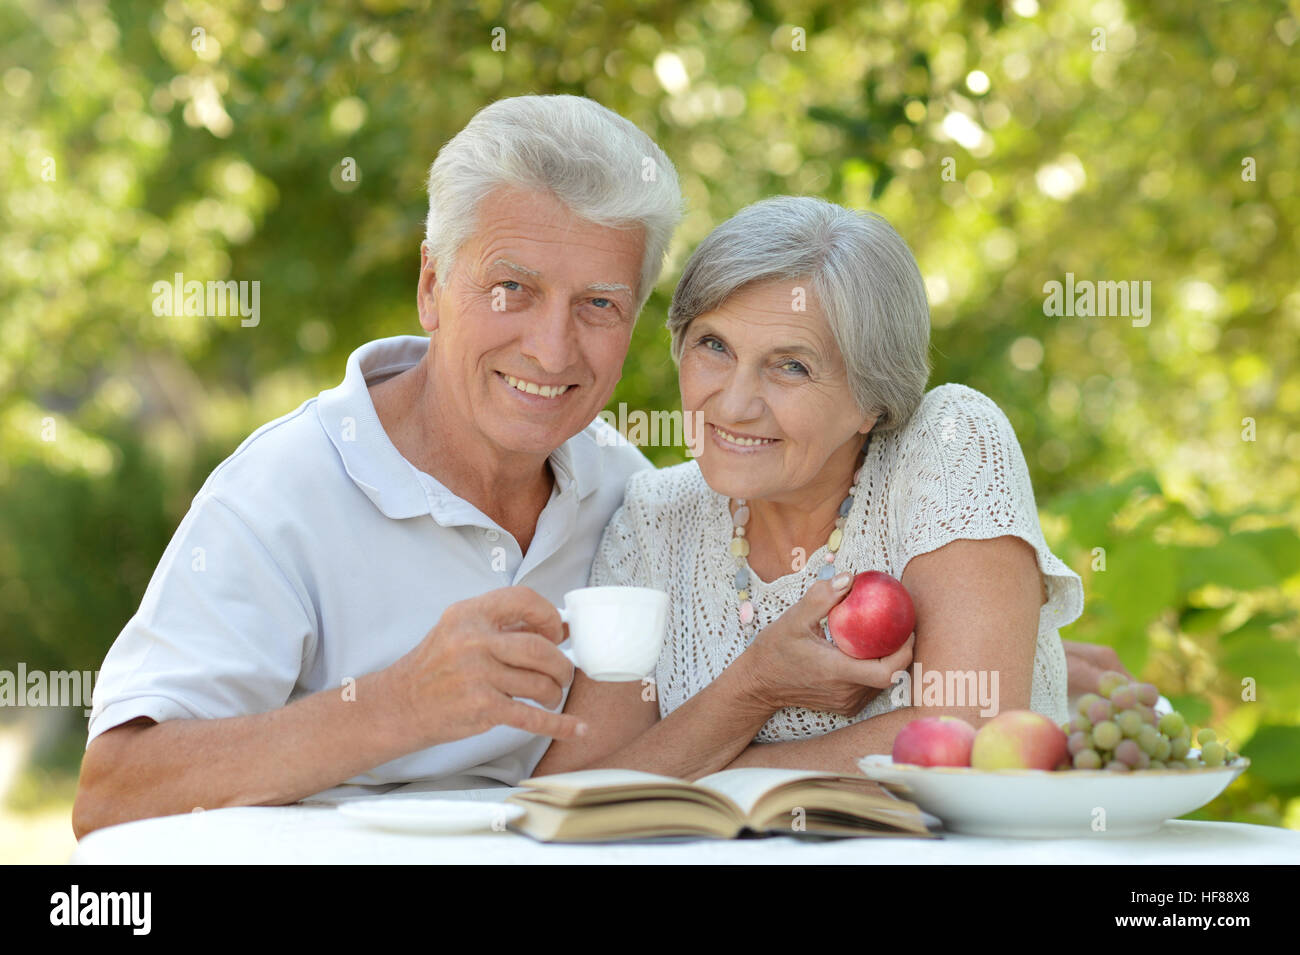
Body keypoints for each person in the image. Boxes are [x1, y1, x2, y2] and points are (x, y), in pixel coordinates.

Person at [74, 95, 1126, 837]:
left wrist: (1017, 660)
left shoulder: (619, 486)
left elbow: (608, 790)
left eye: (598, 306)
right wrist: (394, 706)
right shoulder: (283, 493)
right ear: (432, 285)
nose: (550, 349)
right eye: (511, 288)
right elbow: (111, 791)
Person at [536, 196, 1099, 779]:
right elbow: (579, 788)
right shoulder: (655, 517)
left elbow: (970, 734)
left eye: (792, 366)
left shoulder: (947, 442)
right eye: (714, 346)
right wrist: (753, 689)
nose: (733, 404)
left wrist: (704, 762)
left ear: (872, 403)